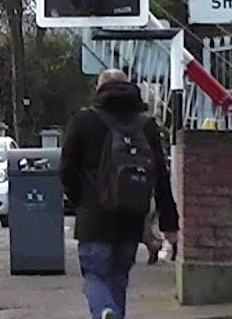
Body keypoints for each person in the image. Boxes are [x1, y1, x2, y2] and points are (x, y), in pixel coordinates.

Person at [59, 68, 180, 319]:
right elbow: (161, 176)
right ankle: (113, 312)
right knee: (118, 279)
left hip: (94, 218)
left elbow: (66, 170)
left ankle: (104, 310)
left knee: (95, 276)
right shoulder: (146, 125)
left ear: (99, 89)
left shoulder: (84, 121)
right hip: (131, 219)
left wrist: (79, 199)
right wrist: (170, 223)